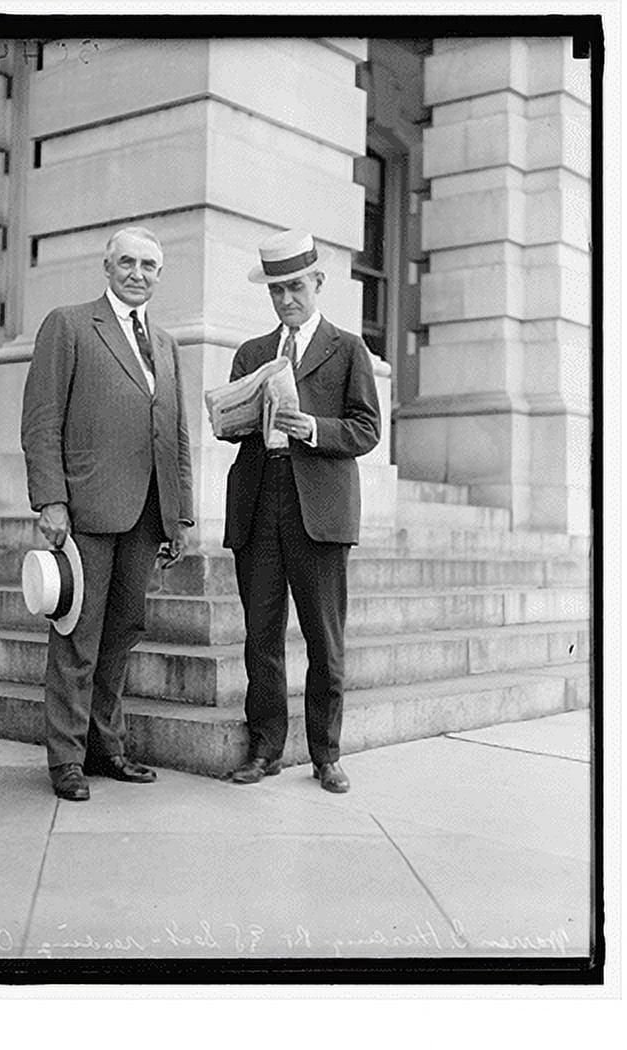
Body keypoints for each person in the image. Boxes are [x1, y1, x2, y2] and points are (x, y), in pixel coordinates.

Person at [21, 226, 194, 801]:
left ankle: (106, 747)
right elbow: (41, 420)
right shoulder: (69, 325)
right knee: (78, 637)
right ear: (107, 267)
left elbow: (176, 435)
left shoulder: (165, 344)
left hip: (147, 514)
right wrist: (51, 499)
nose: (137, 274)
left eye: (148, 265)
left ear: (159, 274)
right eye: (127, 263)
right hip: (87, 510)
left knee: (122, 633)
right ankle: (66, 759)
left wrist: (180, 516)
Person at [221, 229, 381, 793]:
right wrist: (232, 419)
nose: (286, 299)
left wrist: (313, 427)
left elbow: (367, 429)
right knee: (260, 636)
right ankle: (265, 749)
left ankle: (325, 755)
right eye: (276, 291)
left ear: (318, 283)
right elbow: (232, 426)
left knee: (324, 639)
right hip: (258, 499)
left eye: (296, 288)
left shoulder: (348, 349)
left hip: (320, 506)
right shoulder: (252, 353)